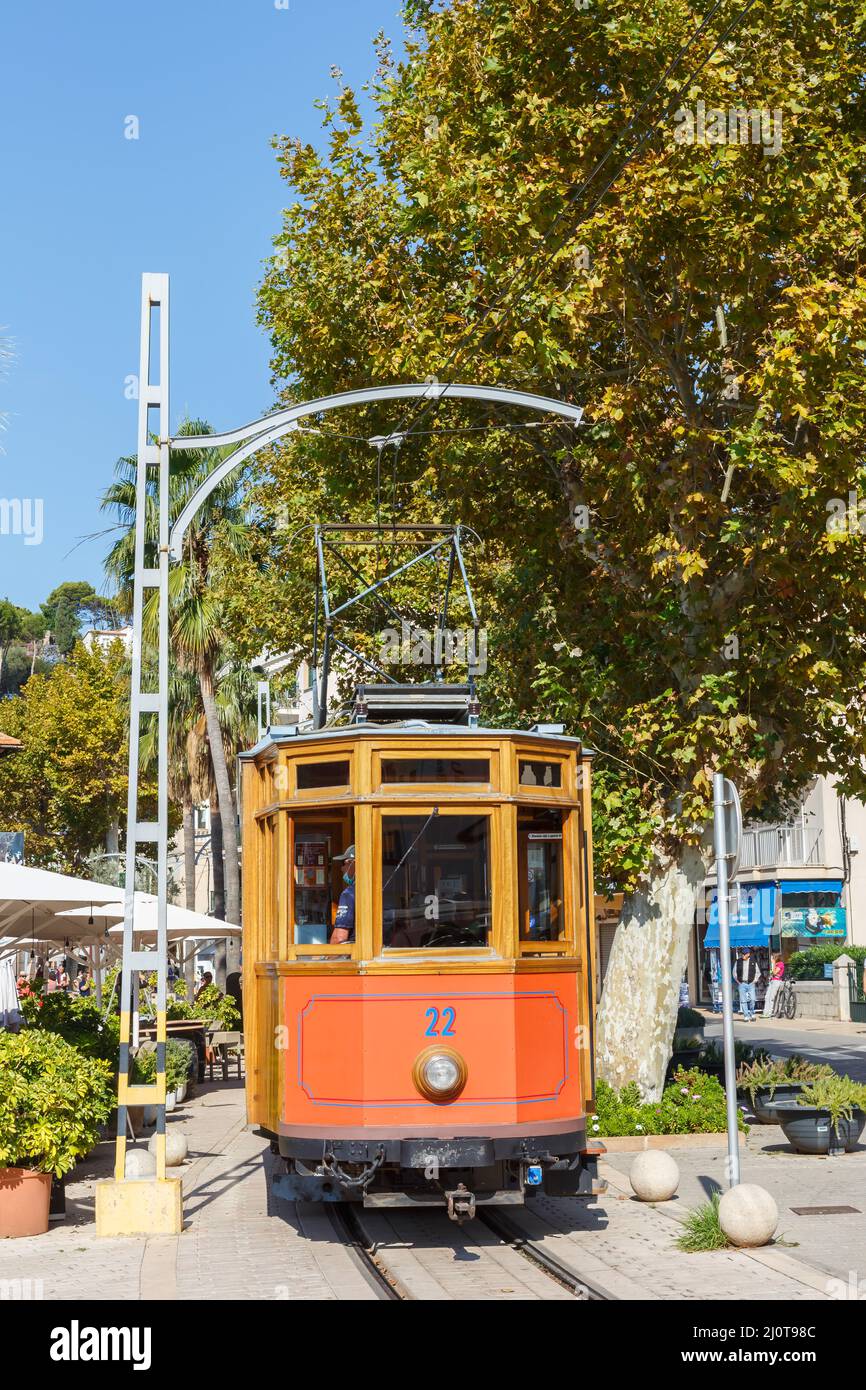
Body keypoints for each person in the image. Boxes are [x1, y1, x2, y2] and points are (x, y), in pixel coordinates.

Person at [330, 844, 356, 945]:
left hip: (352, 957)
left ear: (352, 863)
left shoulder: (349, 894)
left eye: (343, 864)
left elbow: (339, 938)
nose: (342, 869)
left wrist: (327, 958)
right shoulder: (376, 891)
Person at [733, 947, 762, 1021]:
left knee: (752, 999)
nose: (743, 955)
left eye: (744, 954)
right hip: (742, 983)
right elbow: (734, 972)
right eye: (742, 954)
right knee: (743, 1001)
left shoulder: (753, 961)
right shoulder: (738, 961)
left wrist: (754, 981)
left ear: (748, 954)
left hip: (751, 983)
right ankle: (746, 1015)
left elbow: (758, 972)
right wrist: (738, 981)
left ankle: (752, 1013)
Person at [762, 952, 785, 1017]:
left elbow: (775, 972)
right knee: (767, 997)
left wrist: (773, 964)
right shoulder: (775, 964)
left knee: (771, 997)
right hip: (772, 981)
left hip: (776, 981)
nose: (771, 959)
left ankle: (769, 1013)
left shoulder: (780, 964)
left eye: (772, 957)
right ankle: (765, 1012)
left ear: (776, 958)